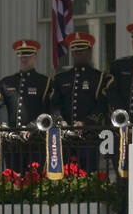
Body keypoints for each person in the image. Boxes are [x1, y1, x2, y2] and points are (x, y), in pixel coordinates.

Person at [46, 32, 111, 170]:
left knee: (89, 175)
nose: (78, 54)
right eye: (75, 51)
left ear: (89, 52)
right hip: (65, 137)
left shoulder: (99, 77)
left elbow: (102, 105)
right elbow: (54, 104)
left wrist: (85, 122)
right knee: (65, 174)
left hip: (89, 137)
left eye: (81, 51)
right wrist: (61, 121)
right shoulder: (61, 78)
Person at [0, 39, 50, 172]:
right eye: (21, 56)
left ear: (34, 57)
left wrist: (32, 127)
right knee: (13, 179)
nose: (24, 59)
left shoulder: (44, 82)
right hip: (12, 143)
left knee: (35, 179)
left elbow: (47, 109)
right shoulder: (6, 82)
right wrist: (5, 128)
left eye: (28, 56)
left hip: (36, 142)